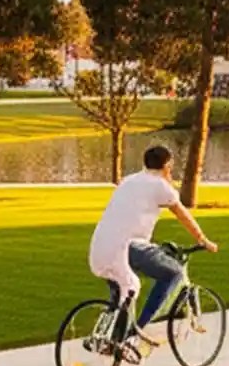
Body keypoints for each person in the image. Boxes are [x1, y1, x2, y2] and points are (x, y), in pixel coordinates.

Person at [88, 146, 218, 351]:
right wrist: (203, 240)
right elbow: (183, 215)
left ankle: (110, 338)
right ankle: (137, 332)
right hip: (128, 247)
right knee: (174, 273)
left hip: (101, 246)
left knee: (123, 295)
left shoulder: (128, 181)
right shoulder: (161, 186)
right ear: (167, 166)